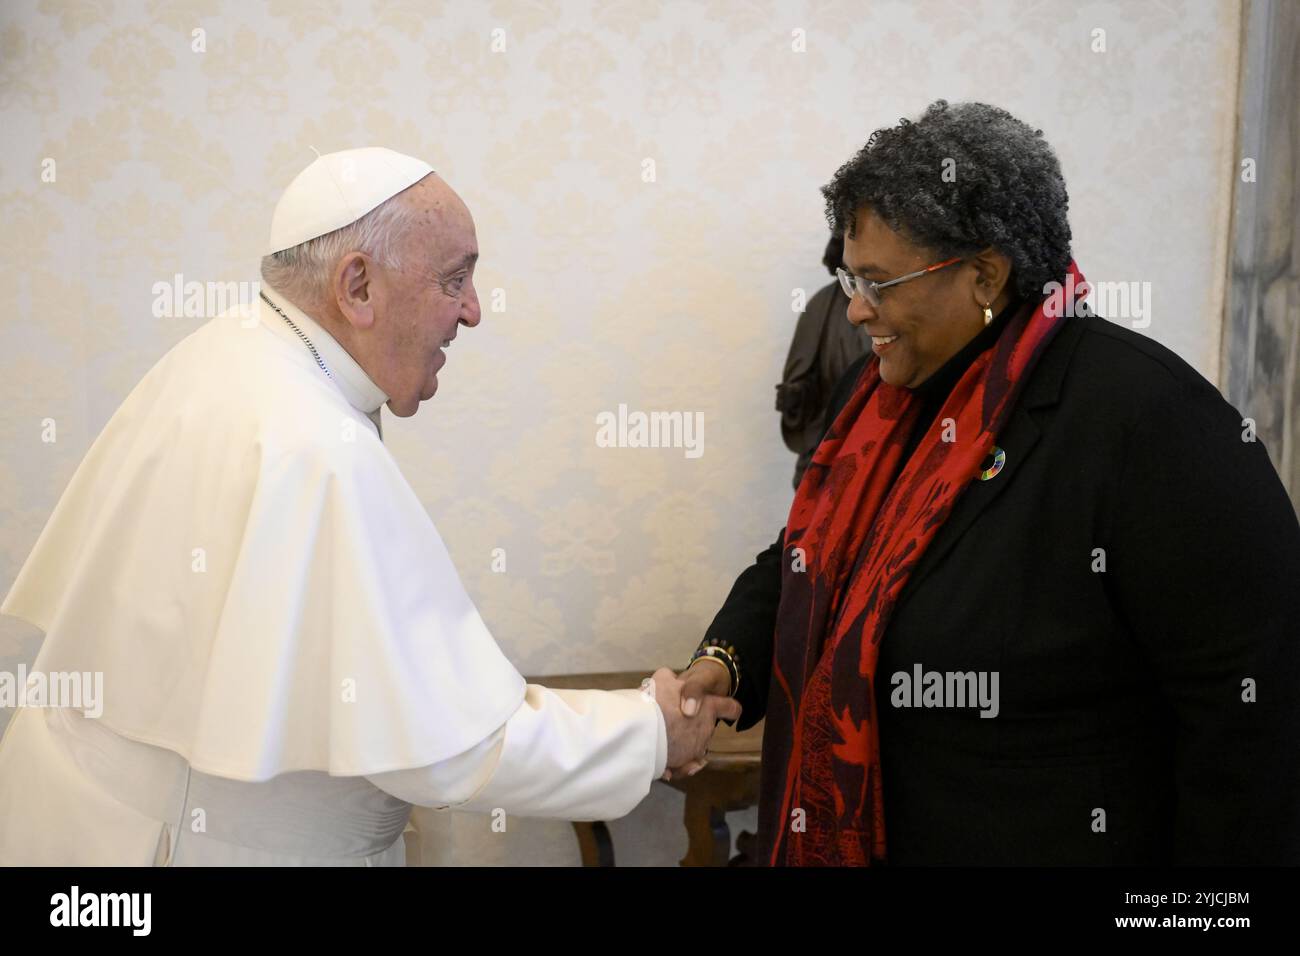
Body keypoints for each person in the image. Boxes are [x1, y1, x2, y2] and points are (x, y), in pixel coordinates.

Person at [0, 147, 738, 866]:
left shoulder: (227, 354)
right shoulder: (313, 444)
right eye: (455, 280)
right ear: (357, 286)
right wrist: (650, 731)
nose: (474, 313)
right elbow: (452, 749)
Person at [676, 101, 1300, 865]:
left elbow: (1251, 716)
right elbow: (805, 558)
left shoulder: (1148, 420)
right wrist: (721, 662)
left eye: (879, 281)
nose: (856, 308)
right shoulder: (872, 398)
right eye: (847, 275)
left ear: (984, 274)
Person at [775, 234, 867, 489]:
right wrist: (796, 395)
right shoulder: (820, 305)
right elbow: (806, 374)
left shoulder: (886, 302)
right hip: (825, 435)